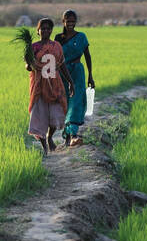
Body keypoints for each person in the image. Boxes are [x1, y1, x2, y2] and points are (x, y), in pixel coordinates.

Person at [26, 17, 74, 155]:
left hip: (54, 84)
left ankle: (50, 137)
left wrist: (70, 81)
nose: (45, 31)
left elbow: (62, 65)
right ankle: (44, 146)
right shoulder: (33, 47)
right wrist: (29, 63)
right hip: (39, 85)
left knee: (56, 113)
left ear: (51, 30)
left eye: (48, 28)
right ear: (38, 31)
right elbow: (28, 68)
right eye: (43, 28)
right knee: (39, 115)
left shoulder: (56, 46)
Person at [55, 10, 95, 147]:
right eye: (68, 21)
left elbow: (87, 57)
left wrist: (90, 76)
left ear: (75, 22)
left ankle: (74, 134)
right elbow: (55, 57)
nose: (70, 24)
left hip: (77, 72)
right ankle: (68, 135)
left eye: (73, 21)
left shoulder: (81, 37)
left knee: (76, 102)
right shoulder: (58, 38)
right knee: (65, 102)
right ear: (63, 22)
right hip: (62, 73)